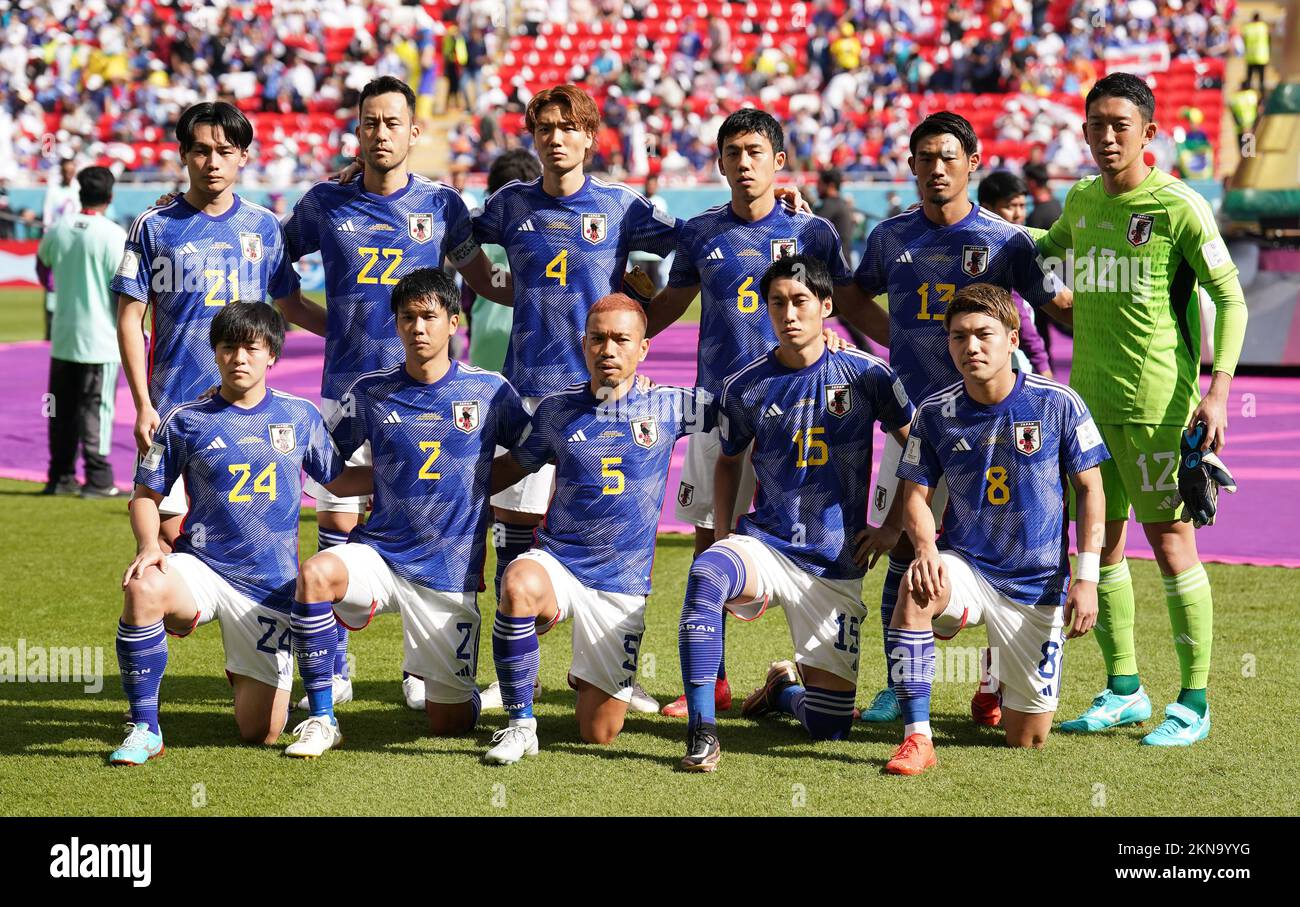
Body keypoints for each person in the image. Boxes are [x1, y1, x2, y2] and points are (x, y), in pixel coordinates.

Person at [280, 76, 511, 712]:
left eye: (392, 123)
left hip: (432, 401)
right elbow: (275, 264)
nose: (380, 134)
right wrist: (333, 325)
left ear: (415, 132)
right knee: (335, 522)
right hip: (347, 393)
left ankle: (421, 664)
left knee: (426, 522)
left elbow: (481, 279)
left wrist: (563, 296)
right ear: (357, 130)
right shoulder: (325, 202)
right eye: (370, 123)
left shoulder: (442, 206)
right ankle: (336, 666)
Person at [1038, 73, 1247, 746]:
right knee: (1098, 541)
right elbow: (1044, 250)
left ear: (1149, 133)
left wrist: (1218, 388)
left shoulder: (1178, 207)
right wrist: (982, 228)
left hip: (1160, 406)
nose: (1105, 136)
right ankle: (1124, 687)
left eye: (1119, 125)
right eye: (1095, 124)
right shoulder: (1082, 200)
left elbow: (1232, 296)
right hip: (1088, 405)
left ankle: (1195, 700)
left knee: (1171, 541)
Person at [851, 112, 1072, 728]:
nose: (936, 168)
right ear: (913, 166)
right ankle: (901, 686)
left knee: (1000, 548)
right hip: (912, 424)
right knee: (902, 547)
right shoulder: (891, 237)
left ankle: (996, 682)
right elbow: (849, 294)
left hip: (995, 428)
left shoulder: (1008, 241)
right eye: (924, 158)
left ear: (973, 163)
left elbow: (1059, 306)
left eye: (948, 157)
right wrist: (891, 342)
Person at [644, 109, 861, 718]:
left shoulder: (813, 232)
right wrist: (621, 330)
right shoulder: (698, 233)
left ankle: (812, 665)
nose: (744, 162)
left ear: (779, 161)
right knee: (713, 540)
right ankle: (709, 685)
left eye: (755, 151)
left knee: (811, 532)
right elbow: (669, 305)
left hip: (801, 412)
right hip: (720, 407)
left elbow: (834, 307)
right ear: (719, 162)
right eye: (733, 152)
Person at [472, 85, 681, 714]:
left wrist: (638, 301)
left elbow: (687, 244)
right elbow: (450, 238)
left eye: (569, 127)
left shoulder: (623, 205)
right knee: (515, 530)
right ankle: (518, 676)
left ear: (590, 136)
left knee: (613, 528)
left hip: (606, 397)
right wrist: (495, 286)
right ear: (533, 138)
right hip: (530, 392)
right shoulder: (509, 204)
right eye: (545, 129)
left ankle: (615, 667)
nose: (556, 138)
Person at [676, 255, 912, 771]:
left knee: (829, 728)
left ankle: (782, 690)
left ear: (826, 307)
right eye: (777, 302)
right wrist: (721, 533)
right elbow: (729, 462)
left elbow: (918, 448)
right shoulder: (746, 385)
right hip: (768, 546)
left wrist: (894, 524)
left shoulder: (868, 375)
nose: (789, 313)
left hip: (834, 565)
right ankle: (702, 732)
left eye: (801, 301)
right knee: (706, 575)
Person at [109, 303, 369, 765]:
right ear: (215, 353)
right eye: (228, 348)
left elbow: (338, 481)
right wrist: (151, 545)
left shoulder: (300, 416)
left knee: (262, 732)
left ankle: (245, 673)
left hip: (270, 587)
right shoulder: (186, 419)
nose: (239, 358)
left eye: (252, 347)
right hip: (203, 568)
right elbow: (146, 495)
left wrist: (395, 478)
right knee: (144, 584)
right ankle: (144, 726)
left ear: (272, 355)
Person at [286, 269, 531, 756]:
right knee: (315, 575)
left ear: (454, 322)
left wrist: (479, 483)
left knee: (449, 724)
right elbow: (332, 469)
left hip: (448, 573)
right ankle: (321, 717)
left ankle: (464, 698)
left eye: (428, 317)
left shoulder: (489, 391)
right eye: (407, 318)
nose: (417, 328)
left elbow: (531, 453)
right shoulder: (371, 392)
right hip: (381, 555)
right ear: (396, 326)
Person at [884, 283, 1109, 775]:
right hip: (969, 567)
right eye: (959, 336)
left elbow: (1091, 490)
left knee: (1026, 740)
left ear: (1012, 338)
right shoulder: (935, 412)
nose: (971, 347)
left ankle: (994, 676)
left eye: (984, 334)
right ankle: (917, 737)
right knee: (917, 587)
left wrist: (1087, 577)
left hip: (1037, 582)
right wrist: (925, 549)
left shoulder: (1059, 403)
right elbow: (915, 496)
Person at [481, 294, 714, 764]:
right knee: (518, 583)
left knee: (597, 732)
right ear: (583, 344)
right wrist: (449, 487)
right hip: (559, 564)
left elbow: (749, 403)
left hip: (620, 586)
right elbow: (511, 470)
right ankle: (520, 723)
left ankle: (588, 677)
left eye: (621, 339)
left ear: (644, 348)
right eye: (598, 338)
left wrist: (821, 345)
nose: (608, 349)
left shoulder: (673, 406)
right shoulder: (556, 410)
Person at [112, 101, 321, 549]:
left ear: (243, 156)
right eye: (202, 150)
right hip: (170, 410)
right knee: (163, 548)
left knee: (245, 542)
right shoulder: (153, 226)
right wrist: (143, 405)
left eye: (225, 151)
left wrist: (358, 332)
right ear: (183, 154)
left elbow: (294, 308)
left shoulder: (264, 227)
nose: (213, 162)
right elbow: (130, 320)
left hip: (246, 411)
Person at [37, 166, 127, 498]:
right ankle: (98, 478)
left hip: (63, 335)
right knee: (97, 410)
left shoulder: (58, 228)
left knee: (60, 408)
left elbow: (42, 264)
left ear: (78, 193)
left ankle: (60, 476)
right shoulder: (113, 234)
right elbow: (122, 289)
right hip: (100, 339)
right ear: (111, 196)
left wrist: (54, 289)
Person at [465, 149, 541, 374]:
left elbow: (467, 298)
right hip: (536, 350)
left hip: (485, 348)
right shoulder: (546, 232)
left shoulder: (478, 233)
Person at [975, 170, 1054, 377]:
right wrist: (1043, 366)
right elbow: (1018, 313)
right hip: (1010, 362)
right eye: (1011, 206)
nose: (1019, 213)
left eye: (1022, 205)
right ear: (987, 208)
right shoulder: (1003, 249)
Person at [40, 154, 81, 340]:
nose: (68, 174)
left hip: (76, 243)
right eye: (66, 171)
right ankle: (50, 330)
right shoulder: (53, 191)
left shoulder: (78, 189)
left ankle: (73, 327)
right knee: (52, 286)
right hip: (57, 241)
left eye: (71, 170)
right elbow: (47, 216)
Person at [1241, 12, 1270, 95]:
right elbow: (1269, 39)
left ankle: (1248, 97)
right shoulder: (1263, 27)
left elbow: (1244, 40)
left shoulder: (1247, 27)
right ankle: (1262, 97)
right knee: (1262, 80)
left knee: (1249, 80)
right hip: (1262, 56)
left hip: (1250, 57)